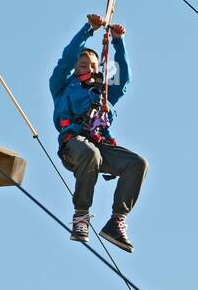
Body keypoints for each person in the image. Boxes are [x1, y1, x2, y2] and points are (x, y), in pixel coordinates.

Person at [48, 13, 147, 252]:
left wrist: (118, 41)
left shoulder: (104, 93)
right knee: (90, 154)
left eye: (93, 65)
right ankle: (81, 216)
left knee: (137, 163)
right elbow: (66, 60)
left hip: (100, 145)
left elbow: (124, 78)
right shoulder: (62, 87)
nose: (89, 68)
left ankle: (117, 220)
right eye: (83, 64)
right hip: (75, 144)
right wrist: (88, 30)